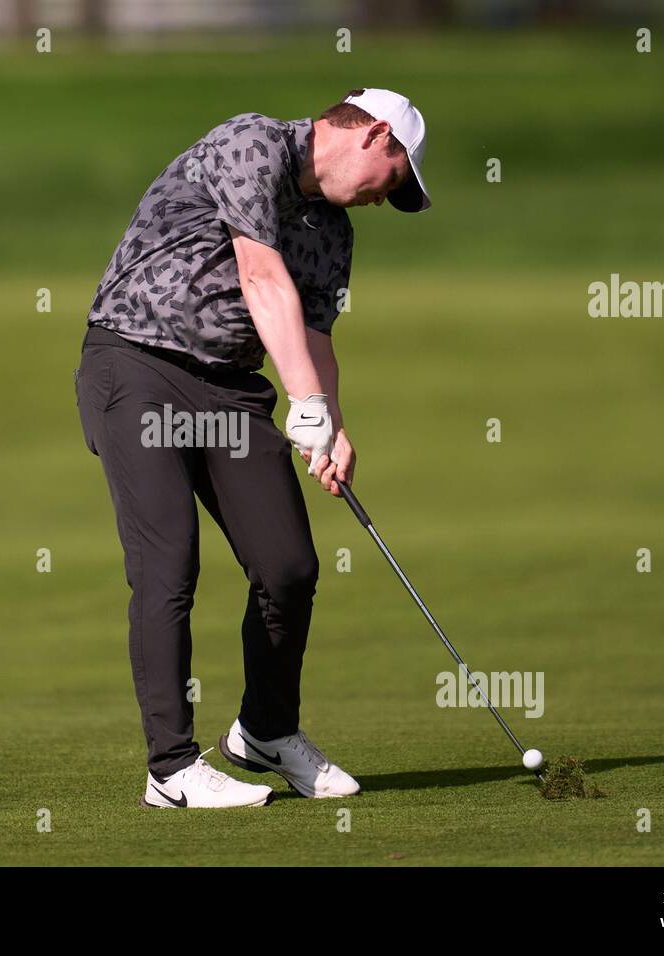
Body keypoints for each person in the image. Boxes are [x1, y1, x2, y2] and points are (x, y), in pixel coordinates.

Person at [75, 88, 432, 808]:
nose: (377, 201)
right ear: (376, 137)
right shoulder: (252, 144)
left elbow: (317, 333)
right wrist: (302, 402)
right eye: (391, 180)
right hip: (136, 367)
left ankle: (266, 732)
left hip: (228, 391)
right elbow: (261, 277)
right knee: (169, 563)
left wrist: (329, 423)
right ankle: (171, 769)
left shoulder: (333, 230)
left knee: (289, 566)